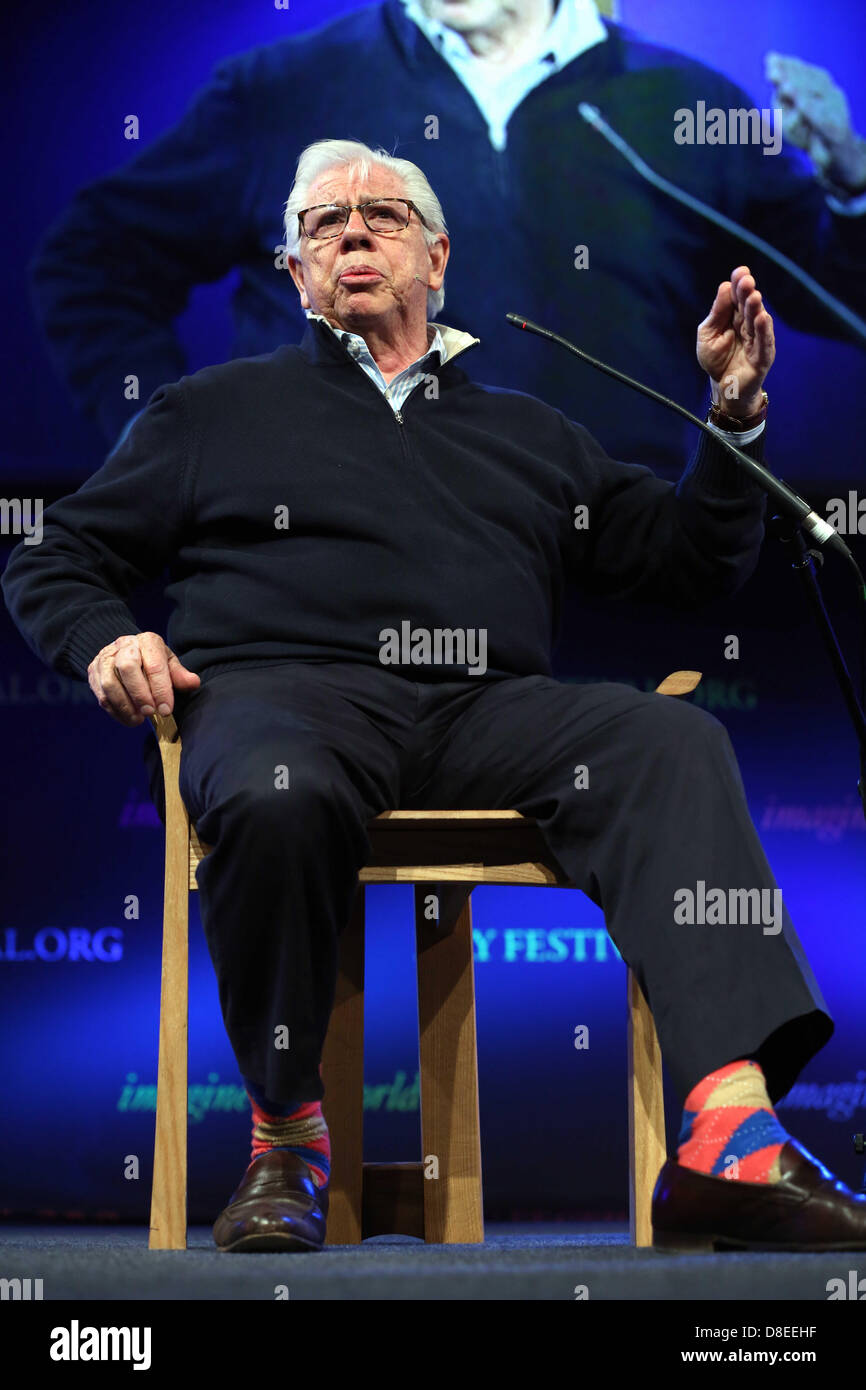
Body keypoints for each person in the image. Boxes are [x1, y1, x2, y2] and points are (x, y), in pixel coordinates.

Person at [4, 139, 863, 1254]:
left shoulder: (527, 431)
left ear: (438, 256)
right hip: (284, 697)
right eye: (322, 224)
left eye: (381, 215)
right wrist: (107, 637)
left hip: (482, 712)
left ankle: (728, 1139)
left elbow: (685, 564)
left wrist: (732, 418)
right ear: (295, 270)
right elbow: (53, 552)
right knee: (275, 785)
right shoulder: (210, 411)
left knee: (666, 739)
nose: (352, 234)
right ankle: (286, 1134)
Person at [27, 0, 866, 473]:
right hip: (331, 593)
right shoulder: (285, 88)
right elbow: (91, 265)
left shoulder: (681, 105)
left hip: (613, 594)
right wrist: (169, 450)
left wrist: (853, 184)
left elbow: (840, 301)